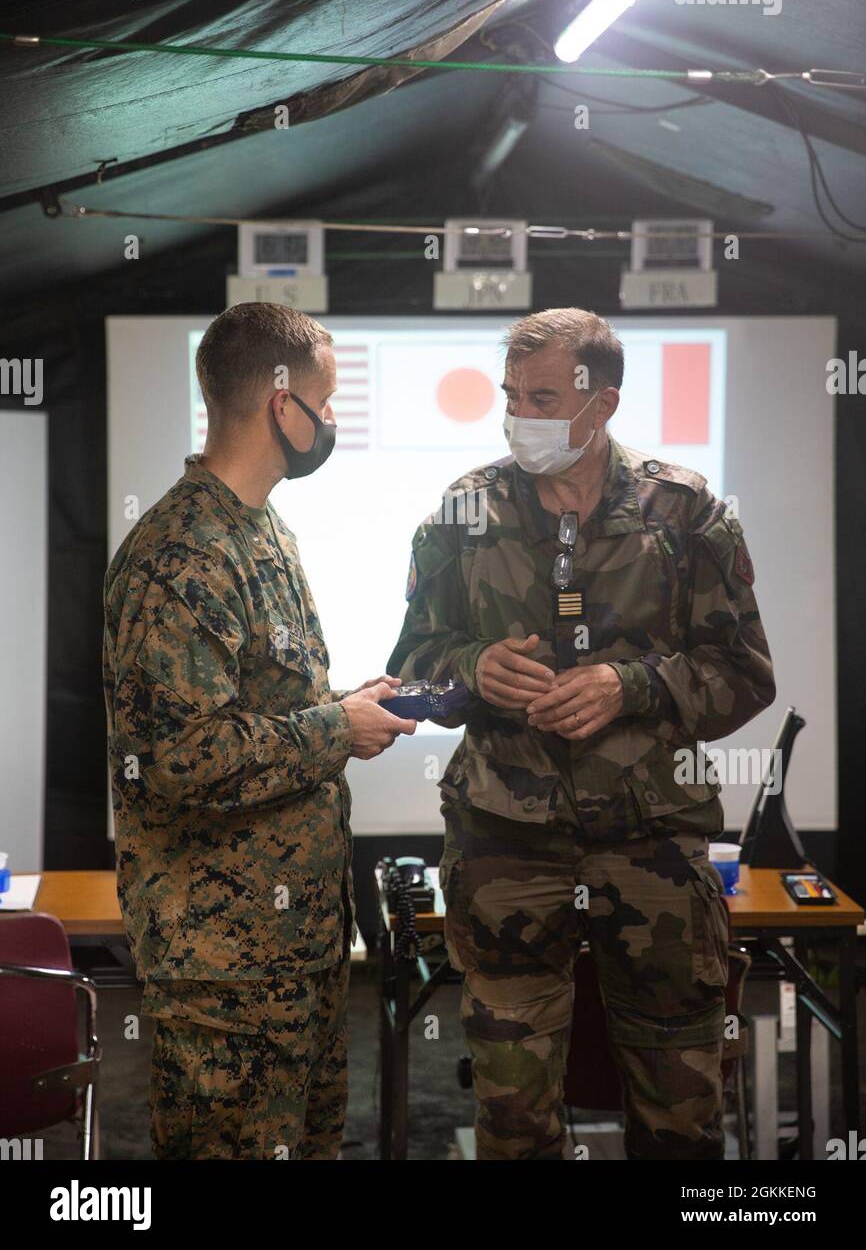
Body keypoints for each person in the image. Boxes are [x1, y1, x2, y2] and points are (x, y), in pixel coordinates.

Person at [387, 307, 775, 1160]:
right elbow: (410, 671)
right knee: (514, 1115)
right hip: (504, 845)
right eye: (511, 396)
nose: (518, 415)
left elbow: (745, 671)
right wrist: (472, 670)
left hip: (653, 848)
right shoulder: (461, 514)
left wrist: (632, 685)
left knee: (681, 1113)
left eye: (543, 397)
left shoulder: (685, 513)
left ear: (602, 404)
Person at [104, 302, 415, 1159]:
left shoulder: (262, 530)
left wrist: (348, 704)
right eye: (328, 401)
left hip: (297, 955)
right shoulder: (183, 555)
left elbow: (256, 714)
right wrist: (334, 729)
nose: (333, 422)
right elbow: (177, 760)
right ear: (283, 405)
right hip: (223, 974)